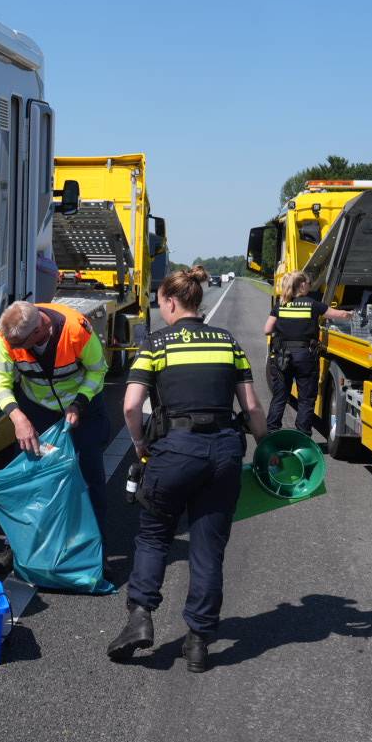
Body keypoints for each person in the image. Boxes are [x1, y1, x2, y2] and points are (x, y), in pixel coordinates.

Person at [109, 268, 266, 672]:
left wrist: (141, 443)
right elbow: (251, 408)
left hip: (174, 451)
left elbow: (130, 406)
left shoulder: (156, 344)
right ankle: (198, 642)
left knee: (154, 535)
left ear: (171, 302)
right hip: (224, 452)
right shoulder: (228, 343)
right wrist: (268, 447)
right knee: (208, 549)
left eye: (161, 303)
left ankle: (140, 617)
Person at [0, 300, 111, 529]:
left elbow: (98, 370)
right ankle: (30, 545)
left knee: (89, 475)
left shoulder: (76, 330)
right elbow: (0, 384)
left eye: (19, 345)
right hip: (36, 407)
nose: (14, 349)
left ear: (38, 330)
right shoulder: (5, 334)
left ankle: (95, 549)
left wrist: (79, 403)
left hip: (82, 405)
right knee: (30, 476)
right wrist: (18, 418)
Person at [261, 271, 351, 434]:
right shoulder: (313, 304)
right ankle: (302, 435)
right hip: (305, 357)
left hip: (282, 357)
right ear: (302, 285)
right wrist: (352, 315)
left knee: (280, 396)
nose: (310, 287)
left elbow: (267, 330)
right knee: (306, 399)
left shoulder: (280, 305)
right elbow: (340, 315)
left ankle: (271, 431)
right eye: (309, 284)